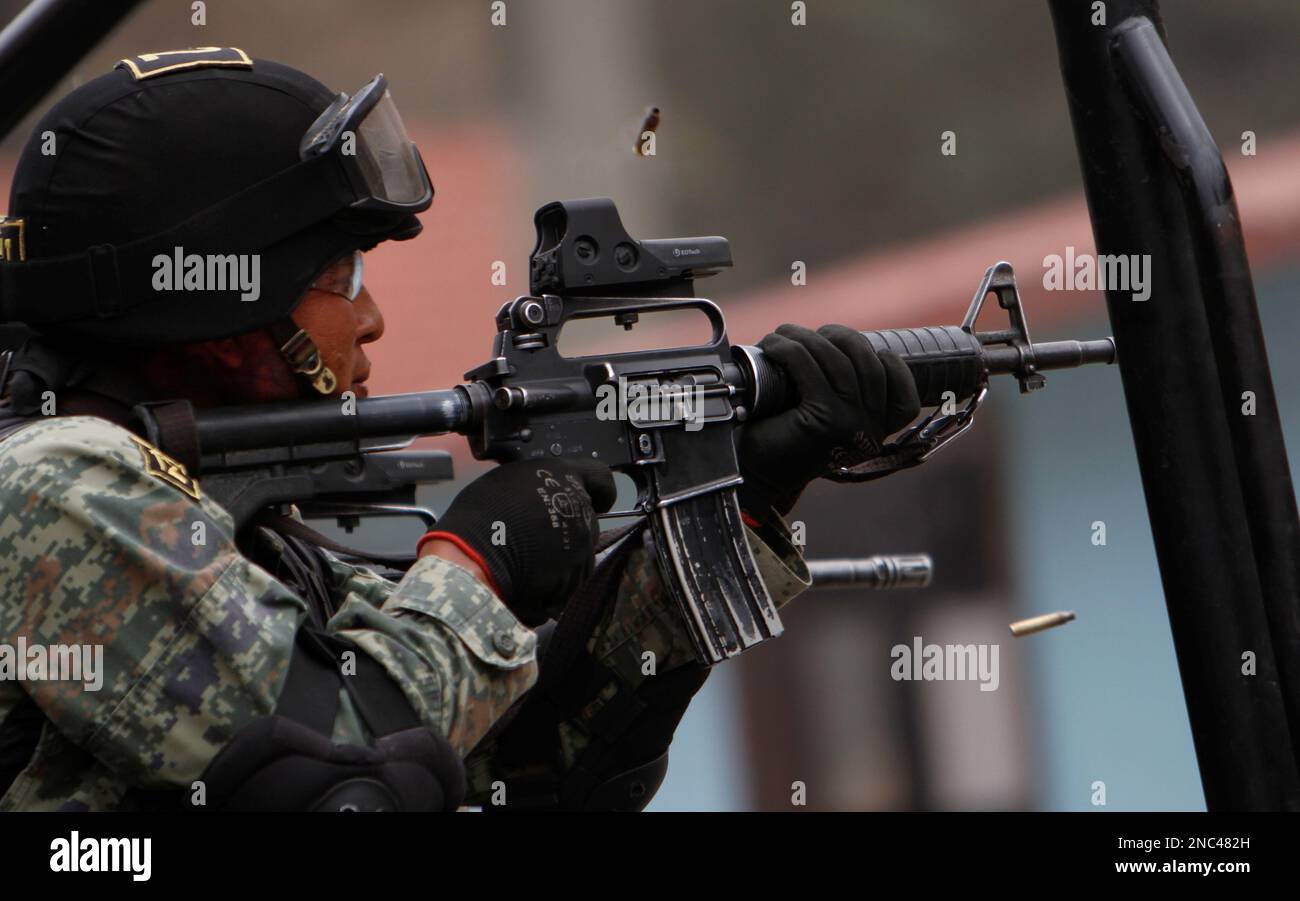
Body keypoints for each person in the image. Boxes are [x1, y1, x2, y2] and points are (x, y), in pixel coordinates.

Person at [0, 50, 919, 811]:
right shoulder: (51, 479)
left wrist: (743, 499)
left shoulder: (243, 534)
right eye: (342, 275)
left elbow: (532, 767)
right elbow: (347, 774)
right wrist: (479, 563)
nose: (372, 321)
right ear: (217, 297)